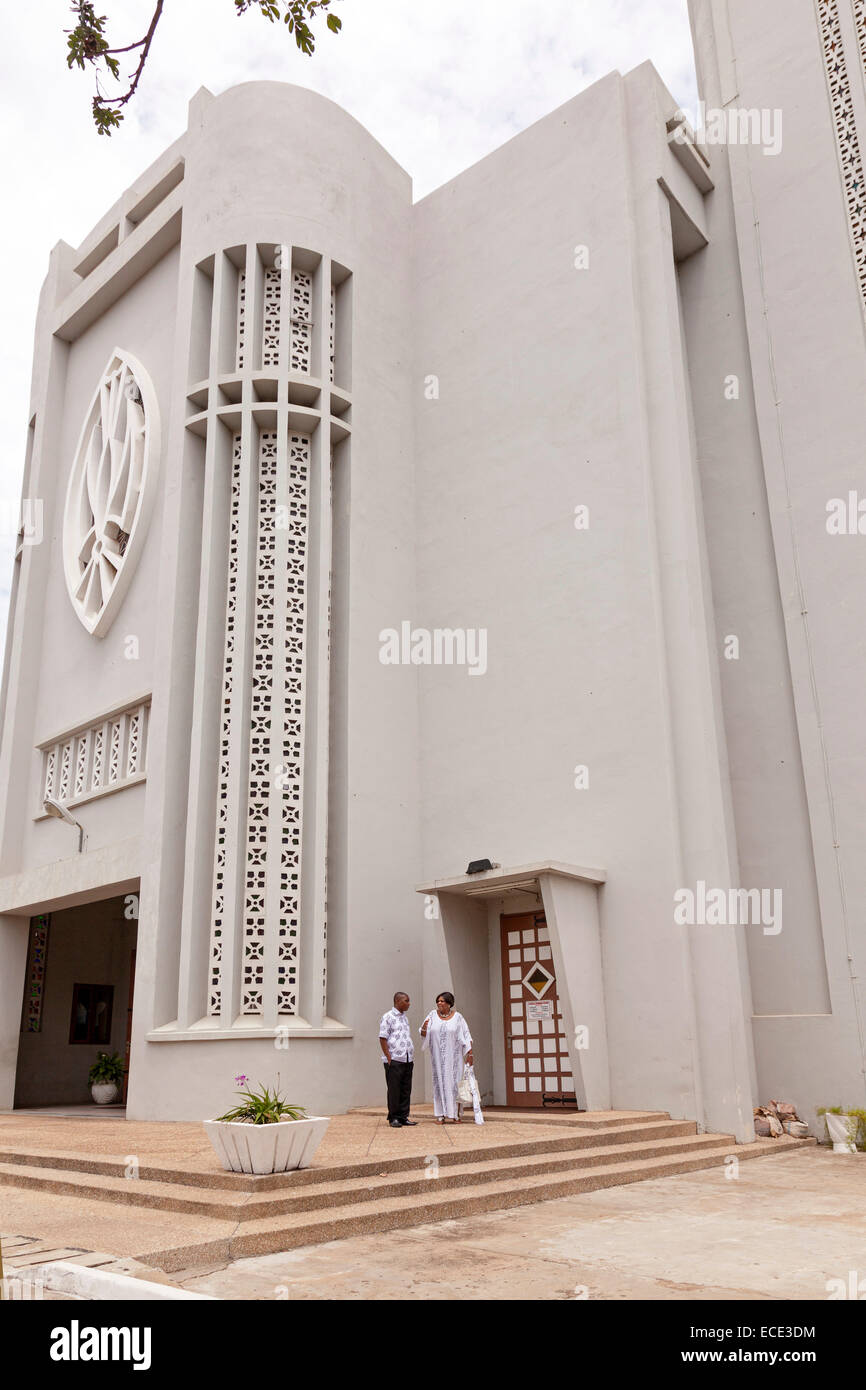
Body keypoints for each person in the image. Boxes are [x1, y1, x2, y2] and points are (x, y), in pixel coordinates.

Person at [419, 991, 476, 1123]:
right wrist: (424, 1028)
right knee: (439, 1084)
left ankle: (456, 1115)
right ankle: (440, 1115)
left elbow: (467, 1036)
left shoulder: (458, 1017)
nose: (439, 1003)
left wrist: (470, 1054)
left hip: (454, 1059)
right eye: (438, 1001)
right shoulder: (432, 1015)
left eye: (442, 1001)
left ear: (449, 1003)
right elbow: (423, 1032)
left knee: (455, 1084)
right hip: (437, 1059)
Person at [378, 991, 419, 1128]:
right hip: (394, 1059)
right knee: (394, 1089)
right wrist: (389, 1058)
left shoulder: (405, 1018)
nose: (409, 1003)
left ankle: (403, 1116)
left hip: (407, 1059)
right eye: (406, 1001)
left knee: (406, 1089)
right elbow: (383, 1038)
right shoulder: (387, 1017)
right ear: (398, 1001)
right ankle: (394, 1117)